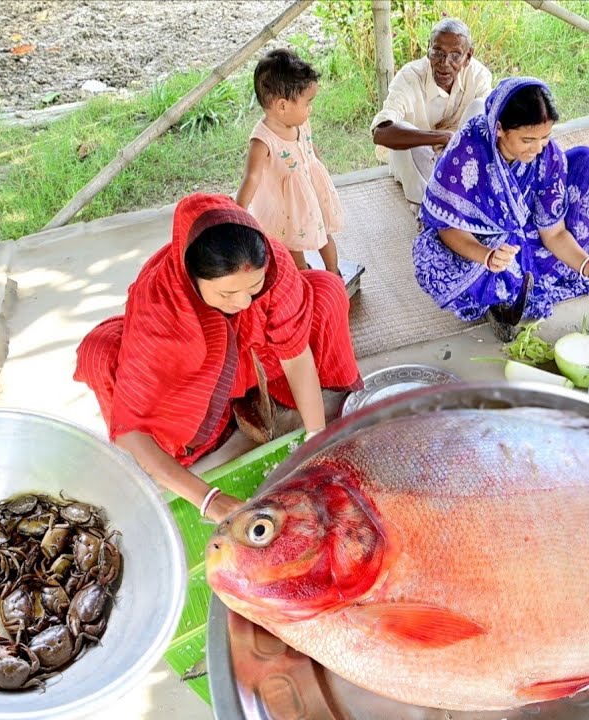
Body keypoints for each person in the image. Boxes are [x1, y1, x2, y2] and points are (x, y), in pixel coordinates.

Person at [74, 193, 363, 523]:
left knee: (325, 290)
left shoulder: (274, 263)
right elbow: (130, 429)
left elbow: (295, 356)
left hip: (249, 353)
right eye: (227, 293)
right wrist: (207, 498)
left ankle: (247, 394)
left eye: (254, 287)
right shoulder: (160, 302)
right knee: (100, 354)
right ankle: (222, 410)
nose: (242, 302)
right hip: (194, 370)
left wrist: (316, 438)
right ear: (192, 277)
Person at [413, 76, 589, 341]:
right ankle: (500, 293)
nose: (537, 148)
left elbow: (554, 234)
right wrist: (487, 256)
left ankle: (506, 291)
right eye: (527, 139)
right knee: (437, 264)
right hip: (475, 239)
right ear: (499, 129)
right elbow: (448, 229)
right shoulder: (466, 151)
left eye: (545, 137)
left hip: (526, 231)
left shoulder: (547, 156)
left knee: (586, 161)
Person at [237, 48, 344, 277]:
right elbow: (252, 177)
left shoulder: (300, 123)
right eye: (307, 103)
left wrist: (319, 171)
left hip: (310, 194)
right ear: (282, 106)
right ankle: (303, 277)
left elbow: (309, 149)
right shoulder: (262, 140)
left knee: (324, 233)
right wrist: (238, 211)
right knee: (293, 246)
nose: (310, 108)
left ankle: (334, 273)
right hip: (287, 207)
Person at [370, 18, 493, 205]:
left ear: (468, 57)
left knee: (481, 107)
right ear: (428, 50)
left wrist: (454, 146)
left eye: (455, 55)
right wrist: (441, 138)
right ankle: (426, 206)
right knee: (401, 129)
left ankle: (464, 194)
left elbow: (493, 128)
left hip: (459, 160)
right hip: (418, 165)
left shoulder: (478, 76)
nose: (444, 63)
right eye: (438, 52)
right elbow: (380, 134)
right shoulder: (410, 77)